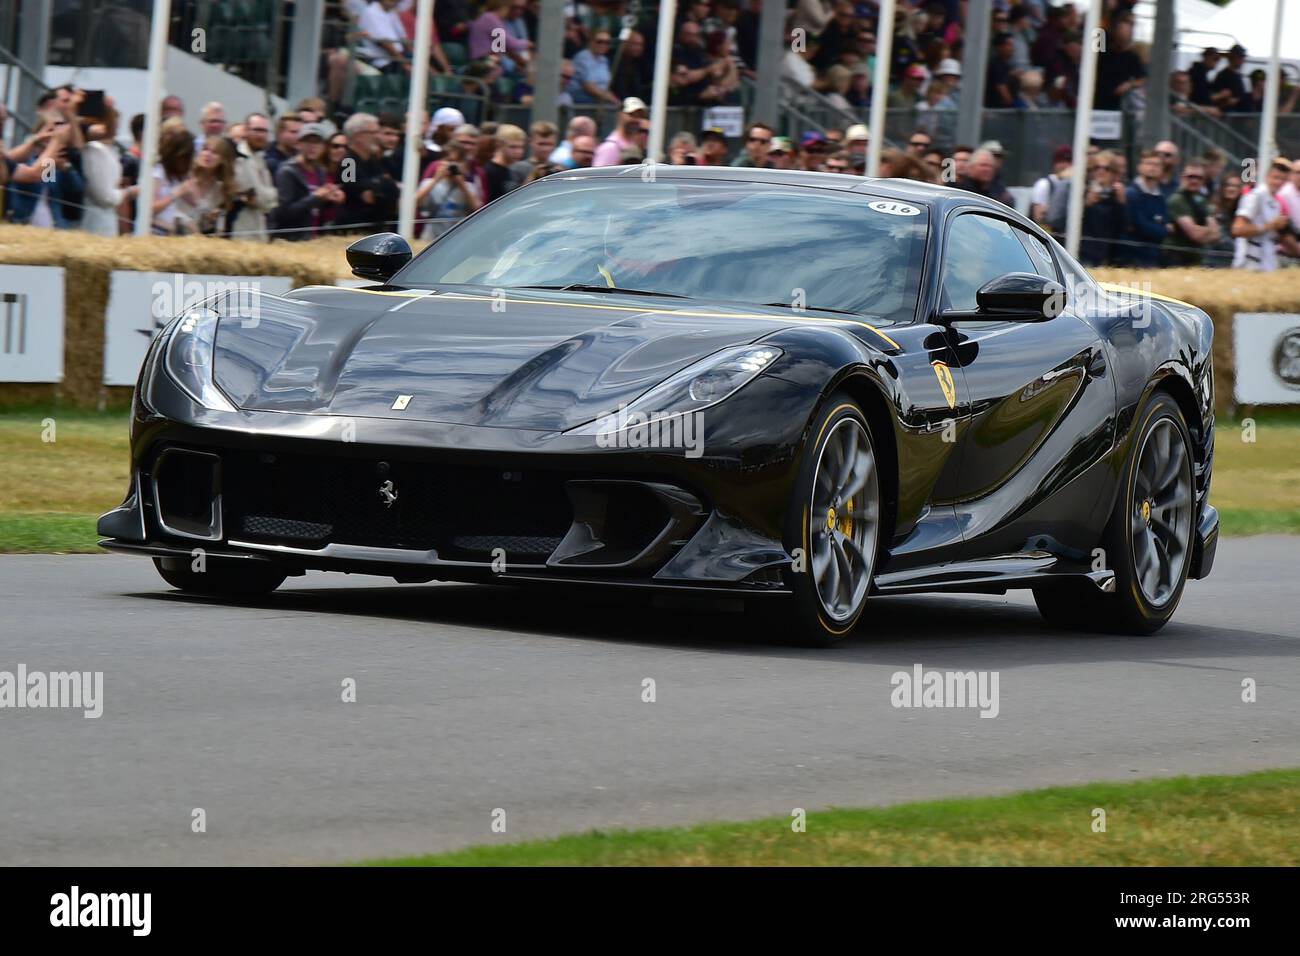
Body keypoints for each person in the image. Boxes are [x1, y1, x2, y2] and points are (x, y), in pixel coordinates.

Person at [8, 112, 82, 228]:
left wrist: (66, 168)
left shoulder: (54, 161)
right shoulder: (26, 156)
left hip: (54, 223)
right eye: (51, 130)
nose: (54, 135)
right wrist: (50, 155)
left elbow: (76, 188)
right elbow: (33, 179)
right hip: (25, 223)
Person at [271, 122, 344, 240]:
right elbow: (284, 213)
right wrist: (316, 197)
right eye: (308, 142)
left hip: (313, 238)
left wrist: (331, 199)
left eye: (317, 142)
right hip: (291, 240)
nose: (312, 147)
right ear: (299, 144)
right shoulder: (287, 171)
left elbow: (318, 209)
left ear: (323, 147)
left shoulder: (320, 172)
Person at [335, 112, 399, 233]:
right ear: (358, 136)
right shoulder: (348, 162)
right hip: (353, 229)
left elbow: (389, 189)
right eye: (373, 132)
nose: (378, 137)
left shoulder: (375, 161)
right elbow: (352, 190)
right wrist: (379, 186)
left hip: (376, 226)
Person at [80, 104, 135, 237]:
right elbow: (105, 197)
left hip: (104, 222)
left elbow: (50, 185)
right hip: (93, 224)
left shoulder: (108, 150)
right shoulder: (50, 159)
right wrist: (128, 192)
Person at [1231, 158, 1292, 271]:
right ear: (1266, 177)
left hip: (1267, 265)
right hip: (1248, 266)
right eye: (1275, 177)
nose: (1278, 182)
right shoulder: (1255, 196)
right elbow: (1237, 229)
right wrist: (1270, 225)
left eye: (1283, 179)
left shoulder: (1276, 203)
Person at [172, 137, 238, 235]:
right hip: (168, 232)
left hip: (191, 240)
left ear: (222, 160)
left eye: (215, 152)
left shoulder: (218, 190)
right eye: (205, 149)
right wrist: (187, 221)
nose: (208, 154)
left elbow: (204, 226)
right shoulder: (183, 174)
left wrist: (209, 220)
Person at [230, 112, 280, 241]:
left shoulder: (260, 158)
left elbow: (271, 200)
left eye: (264, 131)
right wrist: (269, 195)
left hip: (259, 230)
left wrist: (268, 196)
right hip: (240, 232)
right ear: (245, 131)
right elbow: (258, 197)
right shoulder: (239, 158)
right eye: (257, 130)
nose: (261, 135)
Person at [416, 142, 482, 237]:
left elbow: (477, 209)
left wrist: (462, 185)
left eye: (457, 161)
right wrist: (435, 179)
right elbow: (415, 203)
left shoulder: (469, 186)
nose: (452, 165)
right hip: (431, 236)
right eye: (449, 160)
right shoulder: (428, 183)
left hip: (458, 236)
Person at [1162, 163, 1220, 267]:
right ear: (1182, 178)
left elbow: (1216, 235)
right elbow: (1194, 234)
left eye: (1199, 178)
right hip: (1176, 259)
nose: (1194, 181)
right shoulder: (1177, 200)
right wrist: (1209, 230)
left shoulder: (1202, 200)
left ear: (1203, 181)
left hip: (1195, 259)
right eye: (1191, 177)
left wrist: (1203, 231)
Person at [1079, 150, 1127, 266]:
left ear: (1114, 174)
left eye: (1106, 168)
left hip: (1109, 257)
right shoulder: (1082, 191)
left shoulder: (1117, 195)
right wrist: (1086, 205)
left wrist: (1121, 203)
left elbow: (1123, 228)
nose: (1101, 171)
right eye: (1097, 167)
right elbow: (1069, 224)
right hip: (1085, 255)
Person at [1125, 149, 1168, 267]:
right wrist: (1163, 230)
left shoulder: (1161, 196)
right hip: (1131, 259)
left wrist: (1161, 229)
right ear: (1140, 167)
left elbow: (1163, 222)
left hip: (1153, 258)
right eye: (1148, 163)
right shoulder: (1131, 193)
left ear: (1162, 170)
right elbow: (1138, 225)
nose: (1152, 167)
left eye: (1157, 165)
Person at [593, 97, 649, 167]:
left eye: (640, 116)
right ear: (620, 114)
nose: (636, 120)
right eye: (631, 114)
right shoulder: (610, 147)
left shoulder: (639, 144)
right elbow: (600, 173)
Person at [569, 29, 618, 105]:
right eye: (599, 41)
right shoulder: (583, 57)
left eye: (607, 42)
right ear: (591, 42)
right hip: (580, 94)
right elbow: (589, 86)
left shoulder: (604, 60)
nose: (603, 45)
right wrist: (611, 98)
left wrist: (613, 97)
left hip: (598, 95)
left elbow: (605, 84)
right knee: (609, 104)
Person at [1031, 145, 1071, 229]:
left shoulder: (1075, 186)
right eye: (1060, 161)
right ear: (1054, 164)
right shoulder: (1044, 184)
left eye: (1068, 162)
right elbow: (1038, 217)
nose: (1064, 165)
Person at [483, 124, 527, 200]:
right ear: (499, 145)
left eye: (521, 147)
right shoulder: (489, 171)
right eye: (513, 147)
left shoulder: (511, 171)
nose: (518, 152)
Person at [264, 112, 301, 178]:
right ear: (280, 134)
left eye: (301, 132)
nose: (299, 136)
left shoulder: (302, 156)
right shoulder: (268, 161)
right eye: (293, 132)